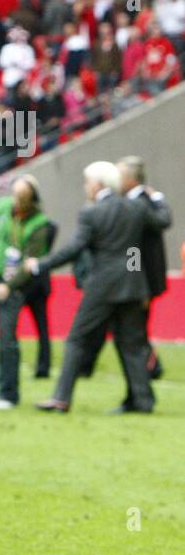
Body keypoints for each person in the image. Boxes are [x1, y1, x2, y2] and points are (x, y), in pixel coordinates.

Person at [30, 161, 168, 414]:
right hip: (133, 284)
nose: (86, 187)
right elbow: (162, 221)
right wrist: (157, 197)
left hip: (102, 286)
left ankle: (61, 398)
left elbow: (74, 249)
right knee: (133, 345)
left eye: (87, 183)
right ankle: (143, 401)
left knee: (77, 340)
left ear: (98, 184)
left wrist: (41, 264)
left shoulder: (91, 213)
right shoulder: (136, 207)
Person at [0, 175, 56, 409]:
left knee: (8, 338)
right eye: (15, 195)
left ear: (32, 200)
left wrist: (7, 286)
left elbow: (29, 263)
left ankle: (8, 394)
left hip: (17, 283)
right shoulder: (2, 206)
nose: (17, 201)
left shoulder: (40, 225)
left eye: (23, 197)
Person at [117, 156, 171, 391]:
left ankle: (147, 373)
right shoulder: (143, 200)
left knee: (133, 332)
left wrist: (133, 278)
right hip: (142, 280)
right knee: (134, 330)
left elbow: (134, 247)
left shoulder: (140, 202)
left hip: (142, 281)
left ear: (129, 179)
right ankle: (150, 366)